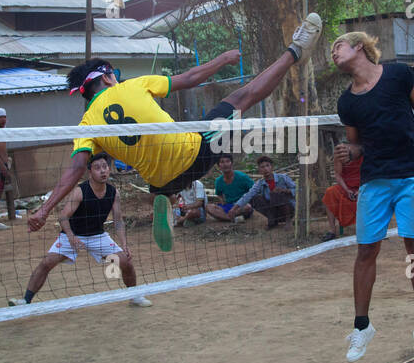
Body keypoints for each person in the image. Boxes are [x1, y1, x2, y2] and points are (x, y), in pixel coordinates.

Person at [28, 12, 322, 248]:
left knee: (158, 178)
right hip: (196, 152)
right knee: (243, 97)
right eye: (113, 74)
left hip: (161, 179)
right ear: (106, 78)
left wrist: (45, 209)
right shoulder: (134, 84)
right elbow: (191, 77)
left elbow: (76, 168)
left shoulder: (85, 125)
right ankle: (297, 49)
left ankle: (165, 200)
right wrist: (222, 59)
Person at [332, 31, 414, 362]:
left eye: (338, 46)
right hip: (375, 182)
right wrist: (348, 152)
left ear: (359, 46)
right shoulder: (347, 102)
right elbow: (358, 145)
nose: (333, 52)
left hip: (410, 176)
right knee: (366, 251)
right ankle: (361, 327)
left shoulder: (399, 74)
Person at [13, 153, 152, 308]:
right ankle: (25, 301)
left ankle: (134, 296)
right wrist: (71, 237)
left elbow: (118, 221)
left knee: (126, 262)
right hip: (72, 235)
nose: (102, 171)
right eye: (97, 168)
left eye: (105, 167)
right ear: (90, 172)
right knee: (47, 263)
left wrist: (124, 244)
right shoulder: (80, 191)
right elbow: (63, 217)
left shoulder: (114, 193)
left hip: (97, 236)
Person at [227, 156, 296, 229]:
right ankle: (272, 220)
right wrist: (234, 209)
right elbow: (248, 195)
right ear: (259, 170)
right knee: (254, 198)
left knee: (276, 194)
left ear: (271, 167)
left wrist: (284, 190)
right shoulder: (259, 183)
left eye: (267, 165)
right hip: (273, 212)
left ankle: (288, 220)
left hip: (288, 210)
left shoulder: (282, 177)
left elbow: (297, 189)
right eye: (262, 167)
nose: (265, 169)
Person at [322, 148, 362, 240]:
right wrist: (347, 190)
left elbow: (369, 174)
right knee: (330, 192)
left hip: (363, 186)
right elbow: (338, 174)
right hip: (345, 186)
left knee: (373, 192)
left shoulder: (364, 152)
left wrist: (360, 190)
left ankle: (373, 229)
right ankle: (332, 230)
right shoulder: (339, 154)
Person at [206, 154, 254, 222]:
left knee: (247, 207)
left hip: (240, 205)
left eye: (227, 161)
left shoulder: (242, 177)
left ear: (231, 164)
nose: (225, 164)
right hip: (229, 206)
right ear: (219, 166)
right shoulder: (218, 181)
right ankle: (233, 218)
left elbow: (253, 190)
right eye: (222, 162)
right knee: (208, 207)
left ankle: (224, 217)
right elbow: (219, 194)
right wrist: (222, 202)